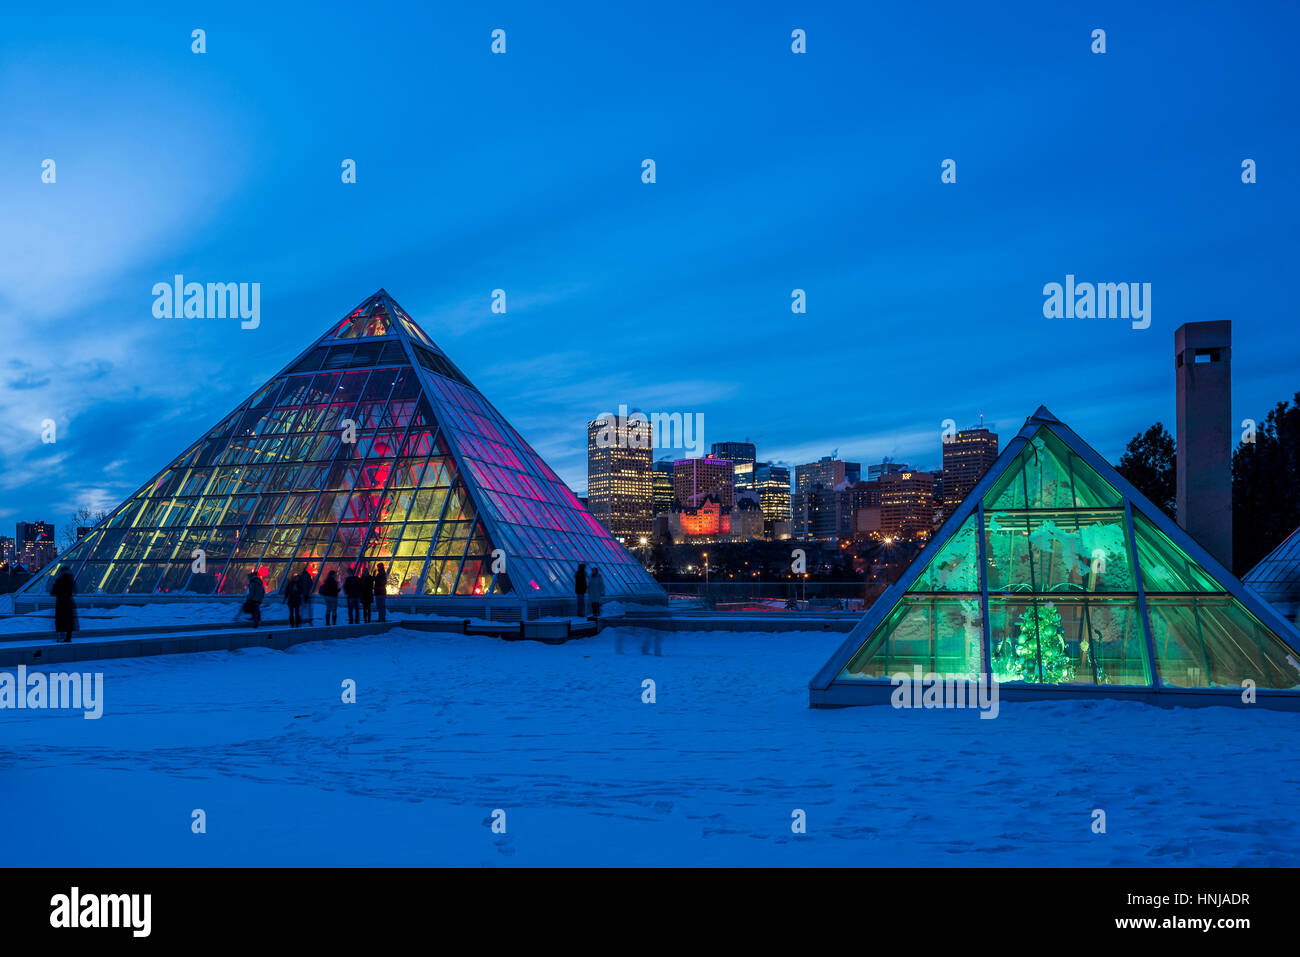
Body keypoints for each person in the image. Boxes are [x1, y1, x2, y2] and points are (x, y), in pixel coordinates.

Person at [50, 565, 78, 643]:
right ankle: (68, 637)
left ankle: (60, 637)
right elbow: (75, 591)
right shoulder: (71, 580)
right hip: (69, 602)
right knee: (69, 620)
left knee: (60, 620)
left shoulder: (59, 581)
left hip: (60, 603)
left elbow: (53, 592)